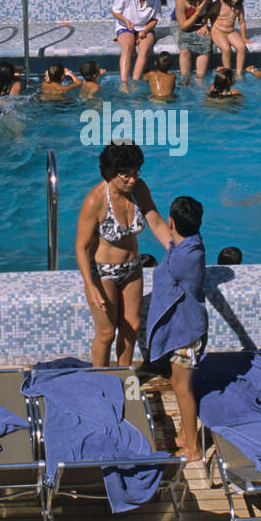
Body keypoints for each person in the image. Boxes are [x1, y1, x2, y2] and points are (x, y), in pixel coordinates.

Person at [77, 143, 173, 367]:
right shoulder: (95, 201)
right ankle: (99, 383)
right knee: (106, 333)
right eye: (126, 175)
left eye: (135, 173)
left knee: (132, 329)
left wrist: (178, 251)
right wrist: (90, 287)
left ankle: (123, 376)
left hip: (132, 269)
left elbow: (156, 221)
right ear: (111, 172)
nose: (132, 180)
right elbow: (81, 247)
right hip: (103, 273)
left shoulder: (138, 189)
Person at [146, 196, 208, 461]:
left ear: (173, 222)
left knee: (182, 389)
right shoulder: (192, 246)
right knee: (180, 385)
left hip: (187, 334)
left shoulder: (181, 260)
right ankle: (186, 434)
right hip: (188, 329)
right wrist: (143, 198)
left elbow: (163, 275)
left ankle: (192, 448)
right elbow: (159, 226)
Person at [111, 0, 160, 85]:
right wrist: (126, 20)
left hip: (145, 27)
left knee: (143, 50)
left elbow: (155, 20)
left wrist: (145, 31)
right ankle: (123, 83)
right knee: (128, 47)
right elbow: (115, 12)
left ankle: (135, 82)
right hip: (125, 26)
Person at [175, 0, 214, 82]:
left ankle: (200, 79)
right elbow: (183, 26)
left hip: (200, 23)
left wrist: (205, 24)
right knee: (185, 50)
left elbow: (208, 13)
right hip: (181, 23)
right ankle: (185, 79)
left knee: (205, 45)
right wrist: (197, 13)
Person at [209, 0, 248, 75]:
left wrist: (244, 37)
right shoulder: (219, 4)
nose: (235, 1)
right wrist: (205, 26)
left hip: (230, 31)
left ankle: (239, 73)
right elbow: (207, 15)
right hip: (217, 31)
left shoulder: (239, 6)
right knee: (226, 49)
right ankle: (228, 72)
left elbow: (241, 22)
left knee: (242, 47)